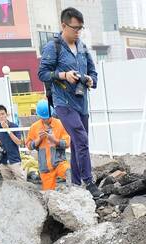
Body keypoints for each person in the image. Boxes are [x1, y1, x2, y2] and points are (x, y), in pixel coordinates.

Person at [38, 7, 99, 194]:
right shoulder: (52, 47)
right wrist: (63, 75)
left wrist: (90, 80)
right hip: (63, 103)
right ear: (63, 25)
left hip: (82, 103)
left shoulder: (82, 46)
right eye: (75, 28)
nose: (78, 32)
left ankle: (76, 183)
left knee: (76, 142)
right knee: (81, 137)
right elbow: (42, 73)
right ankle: (89, 182)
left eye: (80, 28)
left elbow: (93, 72)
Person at [26, 100, 72, 190]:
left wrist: (54, 140)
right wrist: (38, 140)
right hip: (45, 168)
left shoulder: (60, 124)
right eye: (44, 118)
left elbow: (67, 143)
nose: (46, 119)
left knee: (70, 174)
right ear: (39, 116)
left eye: (48, 117)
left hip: (60, 163)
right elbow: (28, 145)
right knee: (49, 194)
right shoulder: (34, 127)